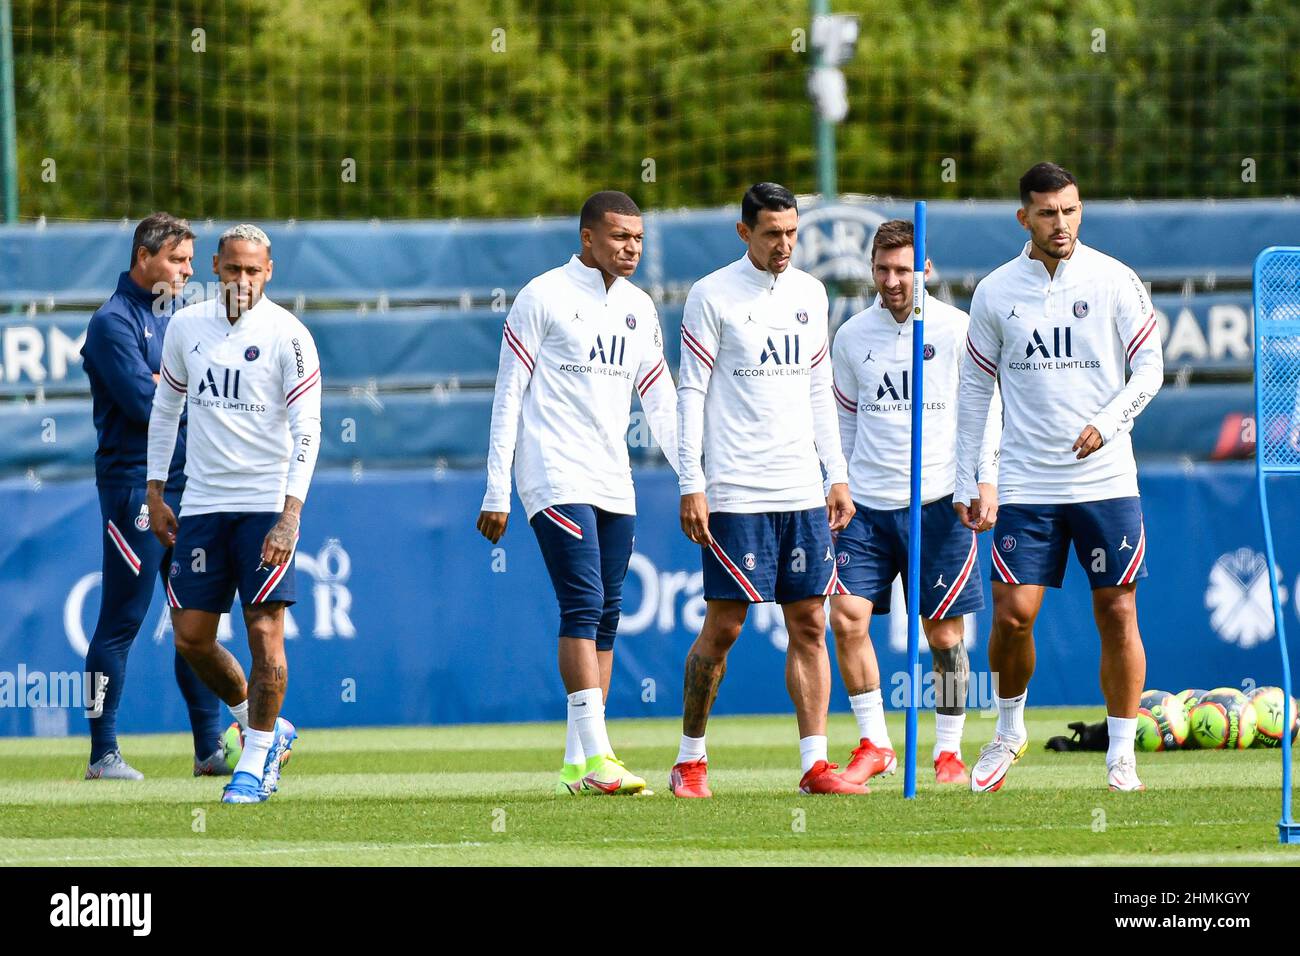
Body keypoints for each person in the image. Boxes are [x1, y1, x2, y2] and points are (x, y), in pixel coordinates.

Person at [954, 163, 1162, 793]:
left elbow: (1149, 368)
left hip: (1104, 480)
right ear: (1025, 218)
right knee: (1014, 615)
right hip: (1026, 483)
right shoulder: (995, 291)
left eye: (1070, 210)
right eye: (1047, 213)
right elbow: (973, 389)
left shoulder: (1114, 279)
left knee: (1117, 610)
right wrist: (975, 478)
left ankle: (1120, 753)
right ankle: (1009, 729)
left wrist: (1108, 422)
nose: (1061, 222)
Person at [477, 191, 679, 796]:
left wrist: (695, 477)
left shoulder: (640, 307)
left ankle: (576, 764)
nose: (631, 248)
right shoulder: (543, 296)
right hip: (554, 474)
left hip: (614, 477)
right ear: (587, 237)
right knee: (584, 606)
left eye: (638, 238)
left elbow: (662, 400)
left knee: (609, 619)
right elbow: (508, 392)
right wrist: (497, 488)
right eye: (619, 236)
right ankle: (600, 758)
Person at [670, 182, 860, 798]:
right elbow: (690, 392)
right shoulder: (711, 296)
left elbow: (818, 390)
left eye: (792, 233)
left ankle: (814, 765)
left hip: (801, 488)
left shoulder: (810, 292)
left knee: (809, 621)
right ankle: (690, 759)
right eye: (772, 233)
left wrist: (835, 473)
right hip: (736, 489)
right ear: (744, 232)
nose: (784, 246)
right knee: (725, 625)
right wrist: (691, 481)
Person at [147, 223, 321, 803]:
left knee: (265, 634)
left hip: (264, 507)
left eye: (254, 270)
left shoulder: (289, 336)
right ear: (215, 267)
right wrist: (156, 490)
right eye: (232, 268)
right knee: (192, 639)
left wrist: (290, 515)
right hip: (200, 505)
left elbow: (307, 431)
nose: (242, 280)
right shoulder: (186, 326)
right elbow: (166, 408)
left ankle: (254, 764)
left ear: (269, 271)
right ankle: (261, 726)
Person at [828, 219, 1002, 787]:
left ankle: (948, 750)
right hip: (868, 507)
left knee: (944, 635)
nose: (893, 280)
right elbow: (845, 419)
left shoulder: (957, 330)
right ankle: (876, 743)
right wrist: (840, 482)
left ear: (925, 268)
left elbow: (985, 409)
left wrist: (981, 480)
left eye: (904, 269)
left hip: (938, 503)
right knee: (846, 619)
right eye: (882, 268)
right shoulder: (852, 335)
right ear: (870, 268)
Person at [80, 212, 226, 780]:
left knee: (196, 625)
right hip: (134, 488)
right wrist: (220, 419)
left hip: (190, 487)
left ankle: (209, 750)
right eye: (178, 260)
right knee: (120, 620)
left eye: (191, 261)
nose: (188, 271)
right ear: (144, 257)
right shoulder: (111, 323)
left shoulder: (178, 321)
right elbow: (151, 409)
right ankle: (102, 753)